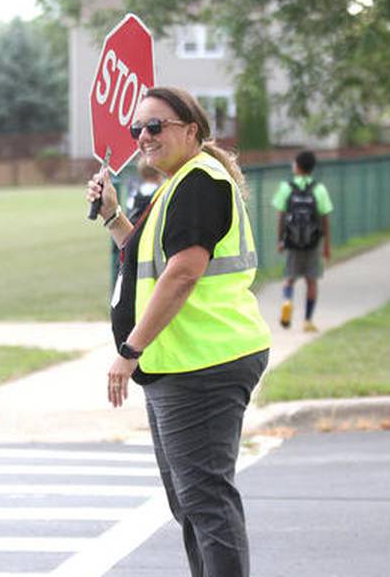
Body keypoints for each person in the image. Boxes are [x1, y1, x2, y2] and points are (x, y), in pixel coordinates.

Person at [87, 86, 270, 577]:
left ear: (191, 130)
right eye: (137, 129)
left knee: (206, 501)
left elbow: (185, 272)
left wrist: (130, 349)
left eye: (155, 126)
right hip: (180, 362)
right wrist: (111, 215)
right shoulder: (178, 183)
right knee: (190, 503)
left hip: (205, 361)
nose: (144, 137)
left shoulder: (199, 182)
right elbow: (144, 254)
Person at [273, 150, 334, 333]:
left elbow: (281, 217)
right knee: (311, 281)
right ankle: (307, 320)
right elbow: (324, 220)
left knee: (289, 279)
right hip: (313, 244)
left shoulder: (286, 188)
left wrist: (280, 240)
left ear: (297, 166)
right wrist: (326, 246)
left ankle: (287, 302)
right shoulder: (319, 189)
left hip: (292, 243)